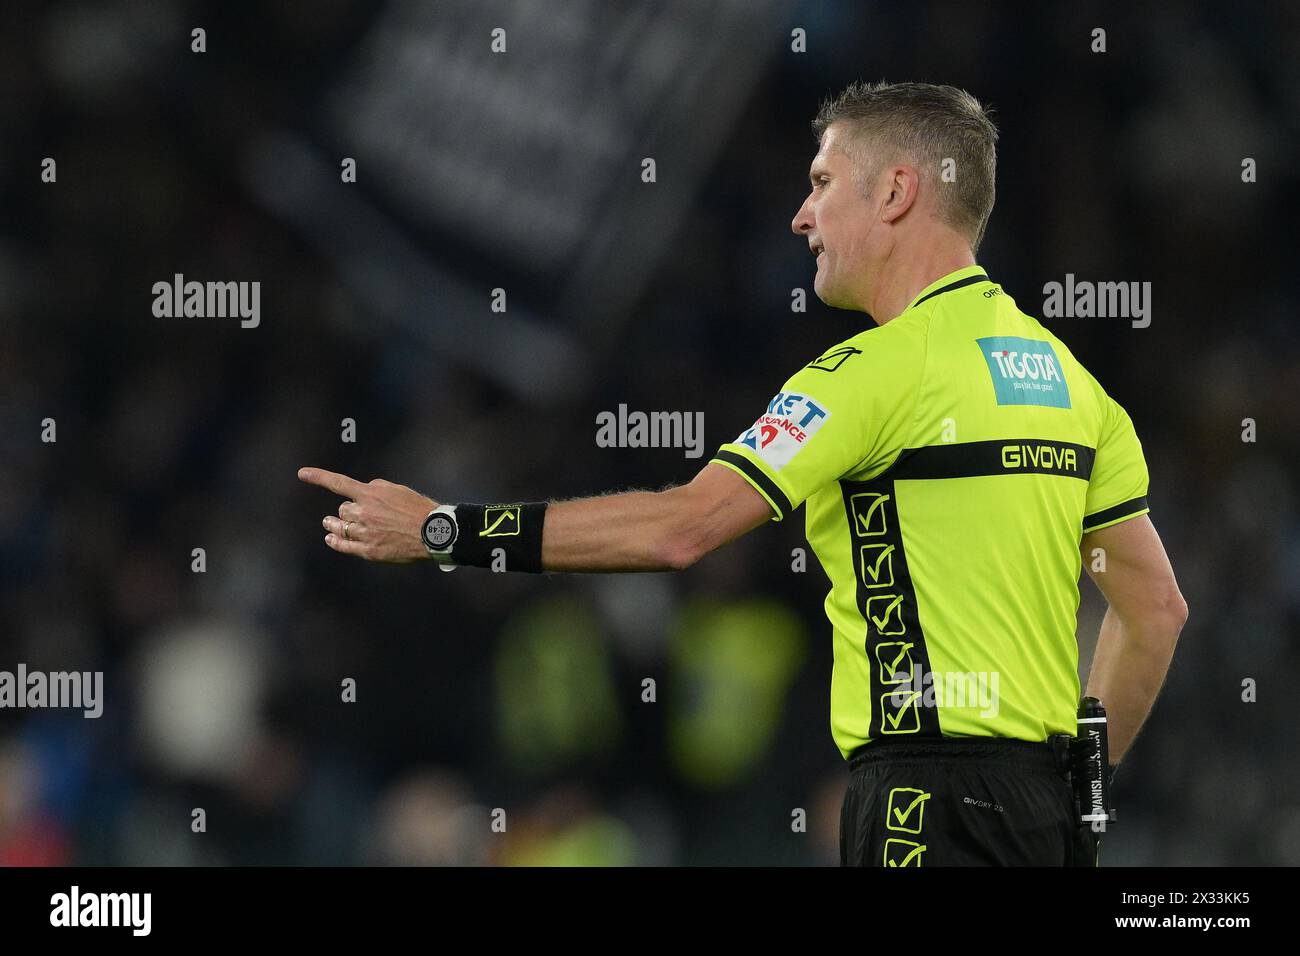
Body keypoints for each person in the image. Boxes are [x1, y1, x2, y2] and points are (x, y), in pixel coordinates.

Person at [298, 80, 1187, 866]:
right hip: (1045, 816)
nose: (801, 215)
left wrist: (443, 530)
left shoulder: (872, 374)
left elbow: (681, 529)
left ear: (896, 192)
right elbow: (1153, 611)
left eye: (821, 184)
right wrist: (1085, 781)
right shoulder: (1074, 387)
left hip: (924, 801)